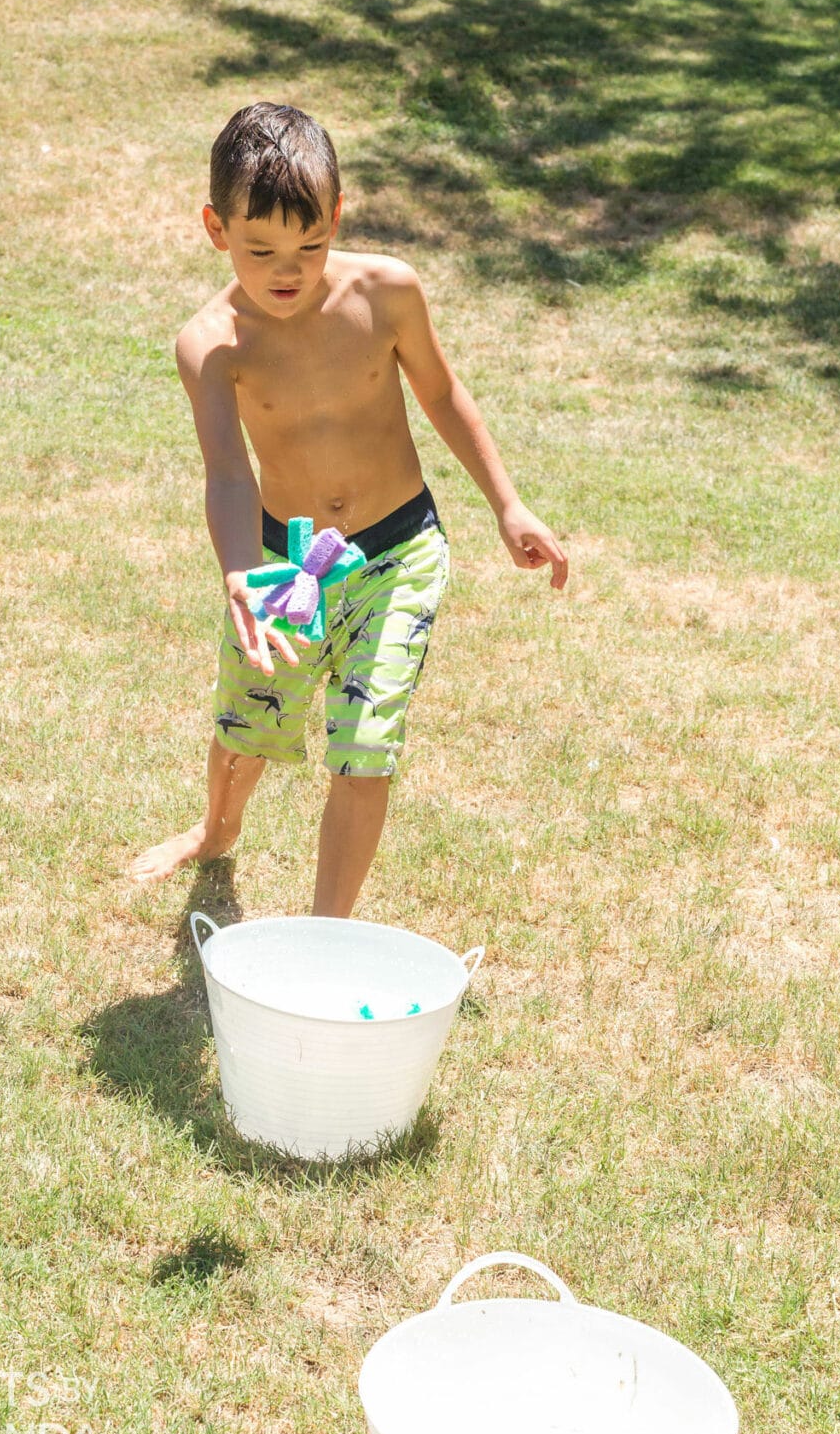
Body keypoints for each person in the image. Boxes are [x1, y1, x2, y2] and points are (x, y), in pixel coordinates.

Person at [126, 102, 568, 916]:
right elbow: (226, 473)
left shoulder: (387, 292)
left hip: (399, 554)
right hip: (284, 567)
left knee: (365, 749)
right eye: (260, 250)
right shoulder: (211, 343)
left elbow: (440, 393)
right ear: (215, 229)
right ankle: (216, 833)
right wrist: (239, 575)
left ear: (337, 215)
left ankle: (328, 933)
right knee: (251, 722)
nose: (287, 269)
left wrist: (509, 504)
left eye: (311, 245)